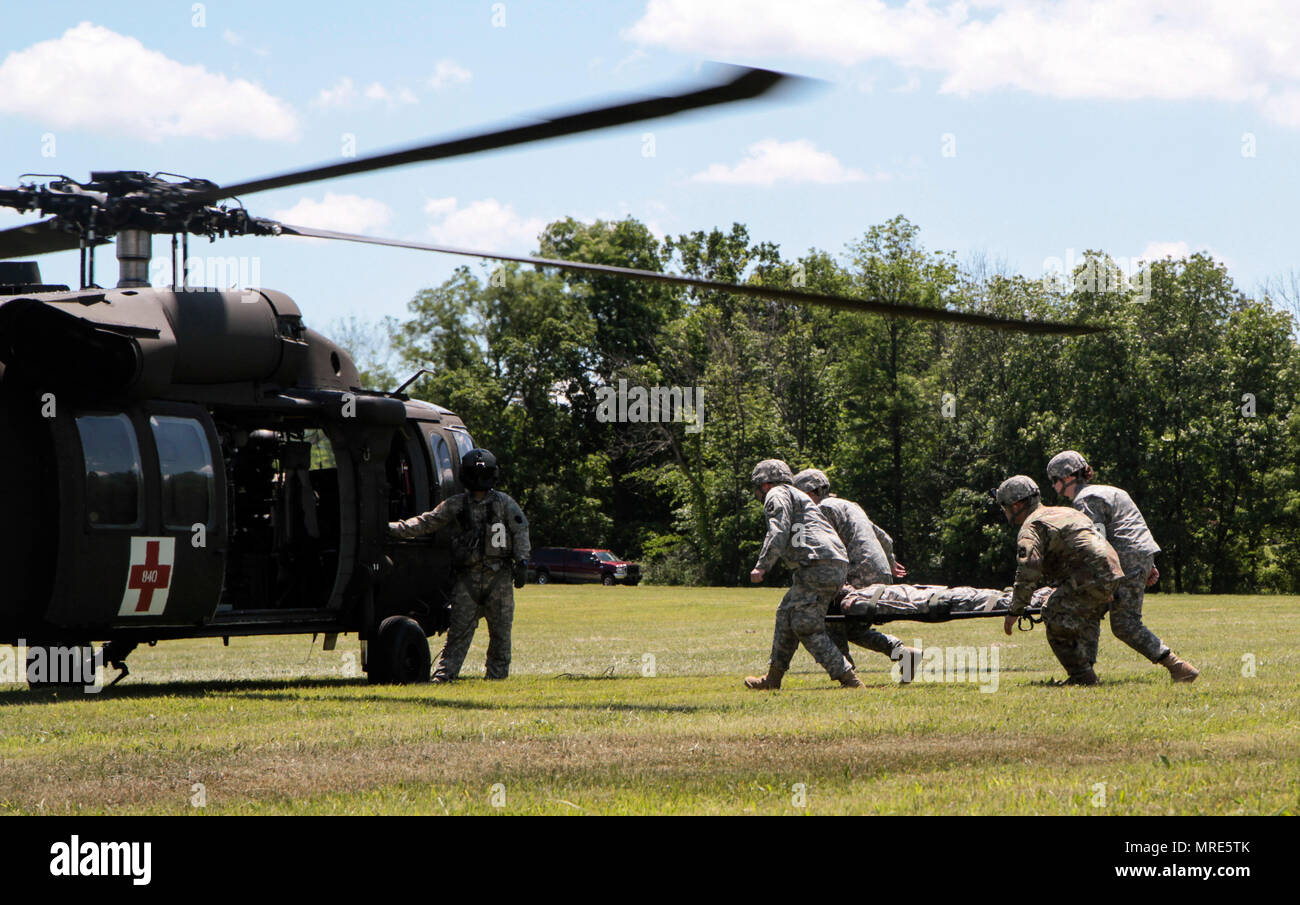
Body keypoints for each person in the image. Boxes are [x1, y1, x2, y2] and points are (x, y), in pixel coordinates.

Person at [1046, 451, 1199, 682]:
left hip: (1121, 562)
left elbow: (1095, 542)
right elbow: (1132, 528)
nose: (1053, 487)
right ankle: (1085, 674)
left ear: (1066, 478)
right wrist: (1149, 564)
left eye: (1053, 480)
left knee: (1124, 624)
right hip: (1140, 555)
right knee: (1094, 611)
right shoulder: (1114, 491)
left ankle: (1179, 668)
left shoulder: (1084, 499)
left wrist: (1102, 580)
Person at [388, 448, 530, 682]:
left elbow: (520, 530)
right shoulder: (457, 505)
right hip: (469, 578)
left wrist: (522, 561)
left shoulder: (504, 504)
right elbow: (427, 522)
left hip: (499, 578)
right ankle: (445, 675)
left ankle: (496, 677)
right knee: (458, 634)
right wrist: (396, 529)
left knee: (501, 634)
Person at [743, 459, 864, 690]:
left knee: (805, 625)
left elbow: (778, 529)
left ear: (764, 484)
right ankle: (773, 678)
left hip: (817, 564)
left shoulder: (776, 494)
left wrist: (762, 565)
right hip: (829, 562)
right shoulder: (795, 494)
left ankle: (850, 680)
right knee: (786, 613)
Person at [994, 475, 1124, 686]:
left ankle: (1083, 676)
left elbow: (1028, 569)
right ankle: (1086, 671)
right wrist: (1106, 581)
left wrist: (1014, 610)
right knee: (1087, 616)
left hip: (1089, 575)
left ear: (1017, 505)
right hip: (1112, 569)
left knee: (1052, 613)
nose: (1005, 512)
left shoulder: (1031, 527)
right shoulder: (1065, 512)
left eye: (1005, 506)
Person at [792, 468, 921, 679]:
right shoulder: (850, 505)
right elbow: (885, 538)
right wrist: (889, 563)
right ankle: (903, 653)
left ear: (810, 492)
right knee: (853, 628)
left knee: (829, 616)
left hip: (857, 574)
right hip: (880, 574)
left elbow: (825, 549)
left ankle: (846, 672)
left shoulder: (822, 509)